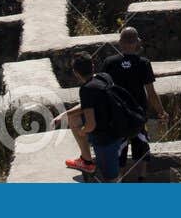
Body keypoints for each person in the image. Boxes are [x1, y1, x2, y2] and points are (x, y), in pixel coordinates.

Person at [54, 54, 137, 183]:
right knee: (73, 118)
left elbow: (91, 125)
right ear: (93, 66)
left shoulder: (86, 89)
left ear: (76, 73)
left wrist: (82, 131)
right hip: (119, 127)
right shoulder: (104, 77)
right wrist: (64, 114)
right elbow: (88, 105)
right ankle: (86, 161)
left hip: (105, 139)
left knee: (110, 179)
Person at [101, 27, 164, 181]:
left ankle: (120, 180)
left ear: (120, 42)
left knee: (120, 149)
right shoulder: (144, 63)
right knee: (141, 147)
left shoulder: (109, 63)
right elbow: (151, 92)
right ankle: (141, 181)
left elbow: (103, 90)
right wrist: (161, 111)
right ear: (138, 42)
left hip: (117, 115)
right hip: (138, 115)